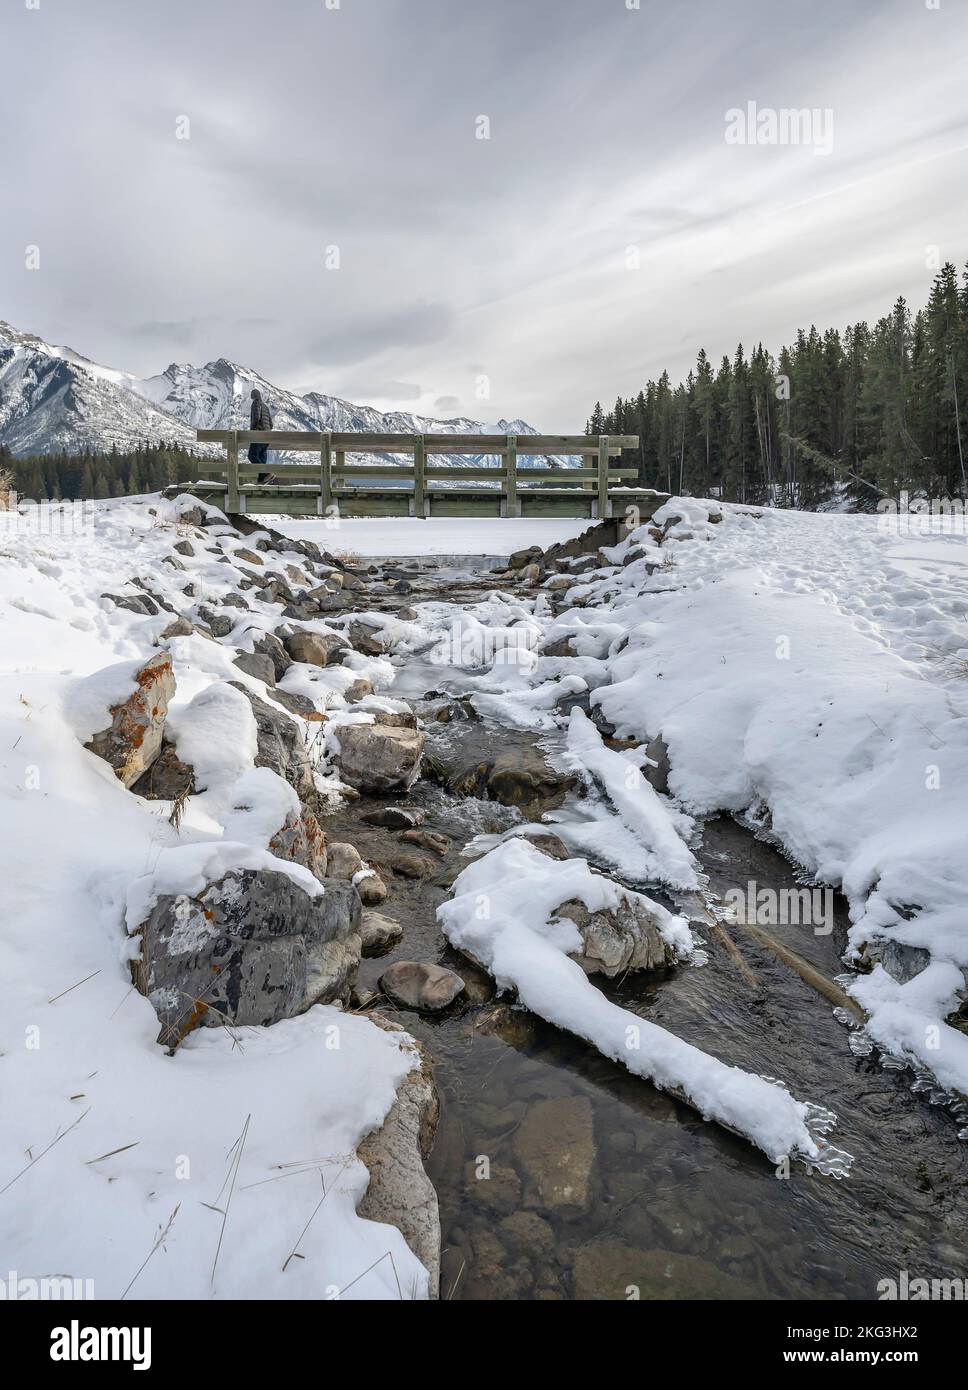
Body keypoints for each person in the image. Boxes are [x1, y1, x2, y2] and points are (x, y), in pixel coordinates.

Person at [248, 388, 274, 483]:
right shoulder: (265, 407)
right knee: (261, 459)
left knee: (252, 455)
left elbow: (256, 417)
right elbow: (271, 424)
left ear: (253, 396)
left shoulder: (256, 403)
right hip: (267, 437)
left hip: (259, 435)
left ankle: (267, 474)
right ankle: (261, 481)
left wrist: (253, 429)